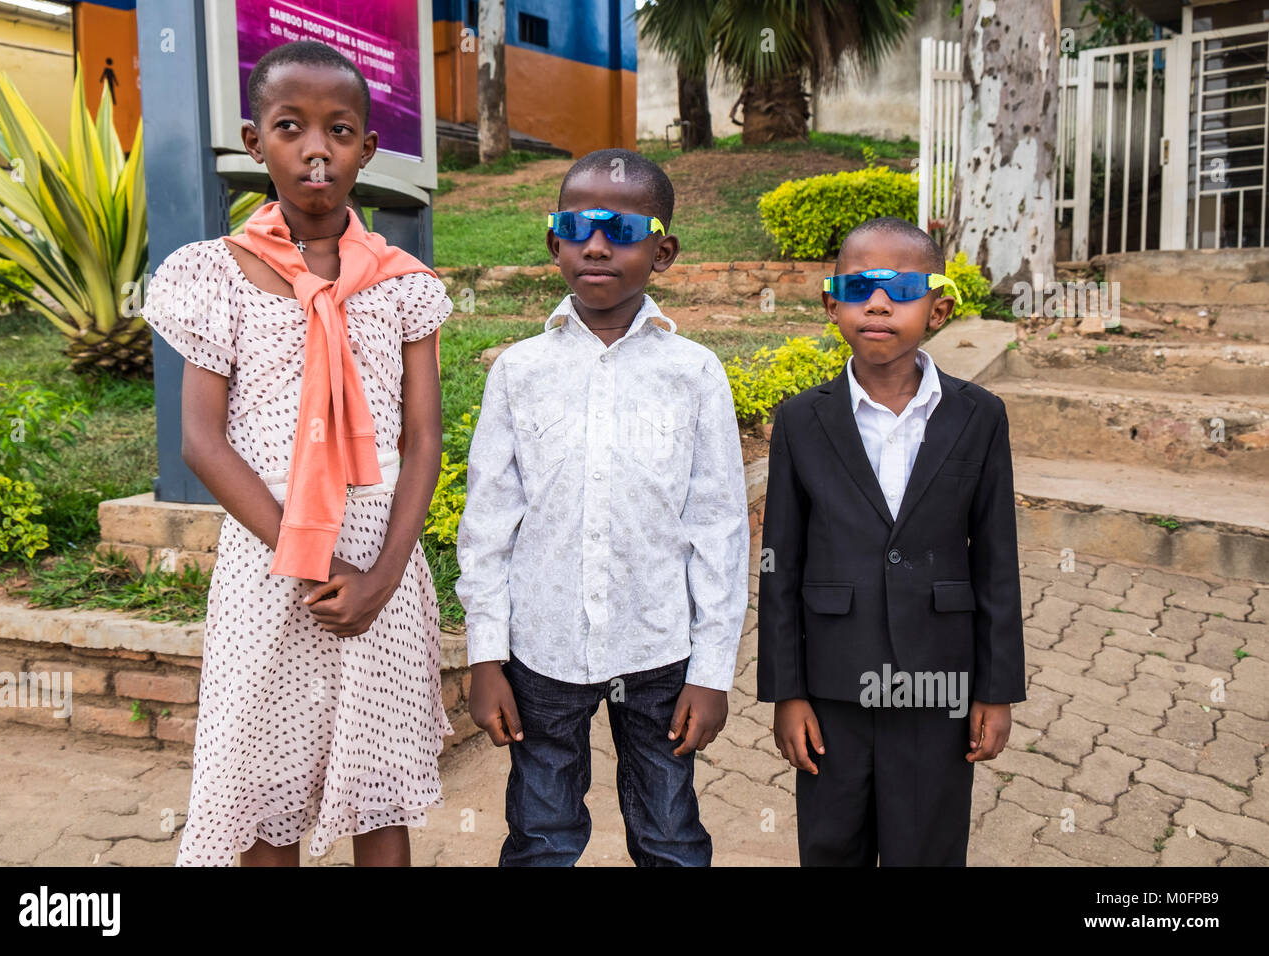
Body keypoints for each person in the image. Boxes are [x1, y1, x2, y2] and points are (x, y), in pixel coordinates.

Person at [140, 40, 454, 867]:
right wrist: (307, 559)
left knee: (378, 787)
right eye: (291, 127)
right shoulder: (216, 275)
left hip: (383, 558)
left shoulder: (400, 282)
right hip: (271, 559)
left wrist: (382, 575)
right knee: (263, 787)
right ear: (255, 143)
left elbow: (424, 437)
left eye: (340, 130)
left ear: (367, 150)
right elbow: (202, 442)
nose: (317, 148)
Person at [455, 149, 749, 866]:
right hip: (544, 651)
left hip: (658, 651)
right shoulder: (520, 372)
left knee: (671, 834)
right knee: (542, 834)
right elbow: (488, 522)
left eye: (621, 228)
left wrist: (712, 671)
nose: (596, 244)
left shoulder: (694, 373)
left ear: (663, 250)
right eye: (577, 225)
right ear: (554, 241)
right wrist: (487, 654)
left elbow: (718, 527)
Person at [757, 216, 1026, 866]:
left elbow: (996, 561)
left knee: (926, 847)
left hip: (938, 687)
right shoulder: (800, 420)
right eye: (860, 286)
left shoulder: (979, 415)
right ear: (831, 303)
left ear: (938, 308)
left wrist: (996, 689)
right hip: (832, 687)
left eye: (901, 287)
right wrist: (786, 694)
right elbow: (780, 565)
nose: (878, 303)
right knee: (830, 844)